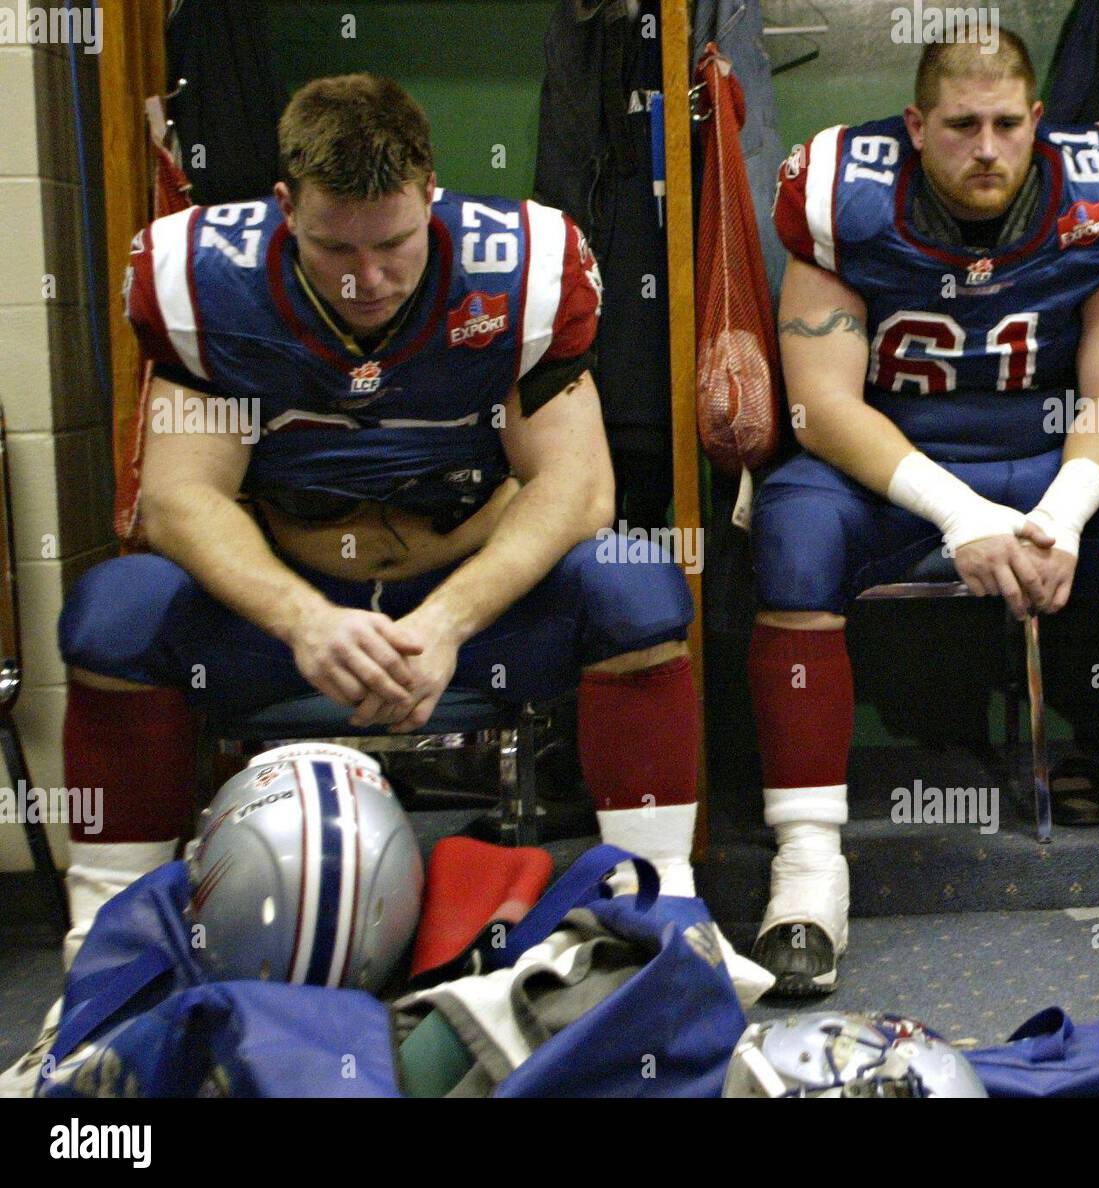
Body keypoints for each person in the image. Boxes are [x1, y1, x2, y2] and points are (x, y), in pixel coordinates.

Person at [2, 73, 770, 1094]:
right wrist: (304, 619)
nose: (366, 278)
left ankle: (661, 914)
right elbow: (177, 501)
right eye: (334, 249)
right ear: (285, 211)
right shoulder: (207, 278)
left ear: (433, 196)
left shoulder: (520, 268)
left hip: (465, 596)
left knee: (634, 584)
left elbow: (578, 488)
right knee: (115, 610)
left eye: (392, 245)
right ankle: (105, 956)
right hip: (291, 599)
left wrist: (450, 620)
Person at [747, 33, 1099, 996]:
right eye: (961, 127)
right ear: (916, 127)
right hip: (894, 466)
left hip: (1053, 454)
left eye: (1009, 124)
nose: (988, 149)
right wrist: (959, 513)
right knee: (795, 538)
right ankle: (806, 867)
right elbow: (823, 408)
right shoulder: (846, 191)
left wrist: (1067, 513)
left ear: (1038, 122)